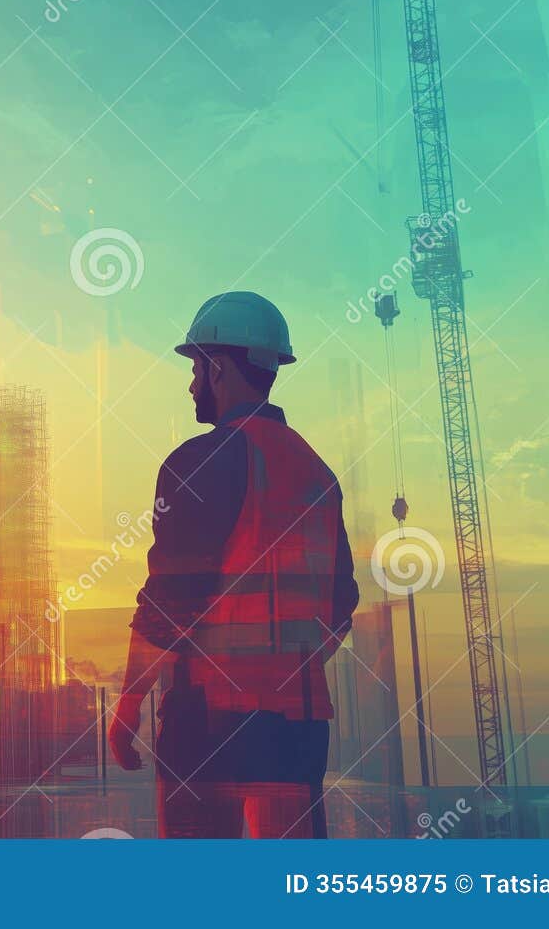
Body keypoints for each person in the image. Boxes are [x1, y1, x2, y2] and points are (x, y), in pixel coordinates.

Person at [107, 291, 360, 838]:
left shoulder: (199, 461)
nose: (192, 383)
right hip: (299, 727)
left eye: (196, 368)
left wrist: (129, 704)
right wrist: (285, 671)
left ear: (219, 368)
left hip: (207, 721)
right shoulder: (317, 473)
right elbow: (342, 605)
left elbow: (168, 601)